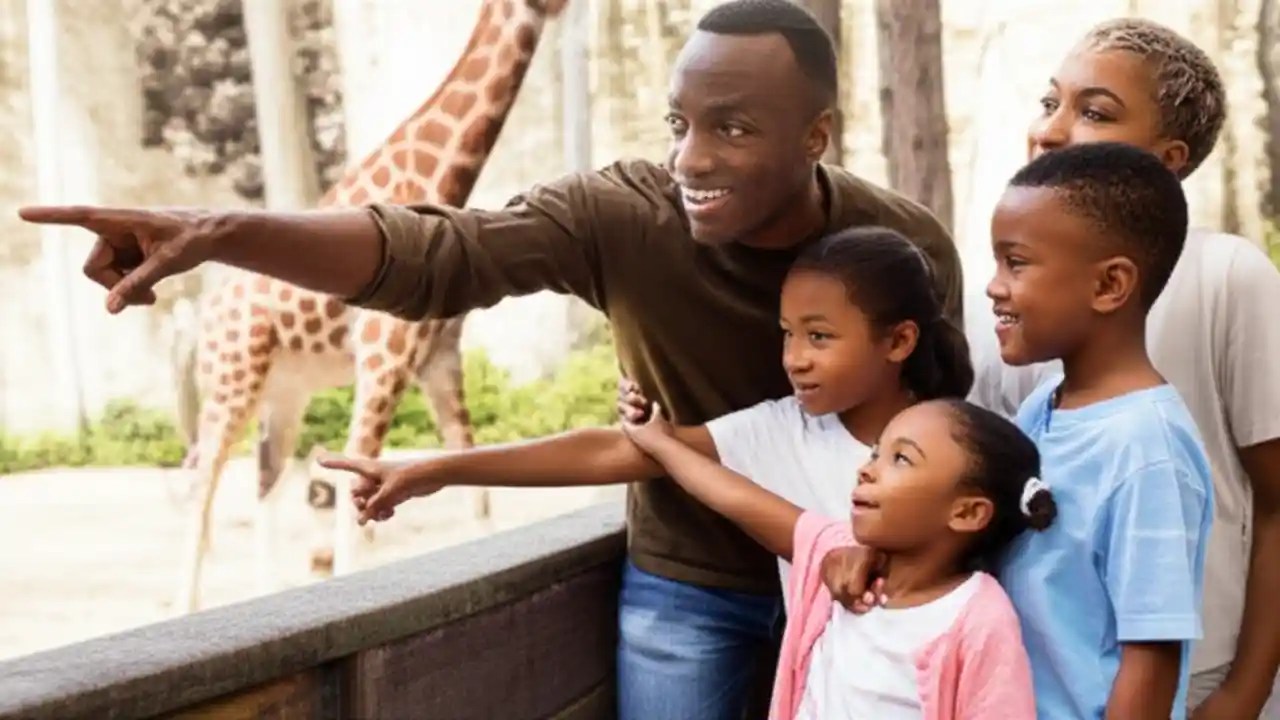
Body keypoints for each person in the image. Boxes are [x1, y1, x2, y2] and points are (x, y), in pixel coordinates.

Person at [15, 2, 960, 717]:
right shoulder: (624, 216)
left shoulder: (903, 246)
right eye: (680, 124)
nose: (693, 158)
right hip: (693, 596)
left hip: (872, 592)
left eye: (736, 128)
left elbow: (957, 420)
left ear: (816, 136)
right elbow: (432, 254)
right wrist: (221, 232)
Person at [325, 227, 970, 606]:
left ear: (899, 341)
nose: (794, 359)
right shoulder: (780, 429)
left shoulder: (964, 445)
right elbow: (619, 450)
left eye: (820, 338)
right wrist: (434, 469)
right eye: (787, 335)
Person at [961, 19, 1280, 719]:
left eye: (1095, 112)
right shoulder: (1033, 348)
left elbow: (1277, 498)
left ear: (1168, 159)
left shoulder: (1230, 276)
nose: (1050, 130)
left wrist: (1243, 693)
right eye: (1051, 103)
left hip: (1184, 681)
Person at [617, 396, 1051, 720]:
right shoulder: (835, 555)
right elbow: (733, 495)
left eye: (901, 458)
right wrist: (660, 441)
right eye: (876, 452)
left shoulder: (977, 618)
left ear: (968, 513)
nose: (868, 468)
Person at [986, 141, 1214, 719]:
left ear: (1110, 285)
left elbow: (1152, 655)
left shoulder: (1147, 449)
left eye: (1016, 262)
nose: (994, 286)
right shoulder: (1042, 407)